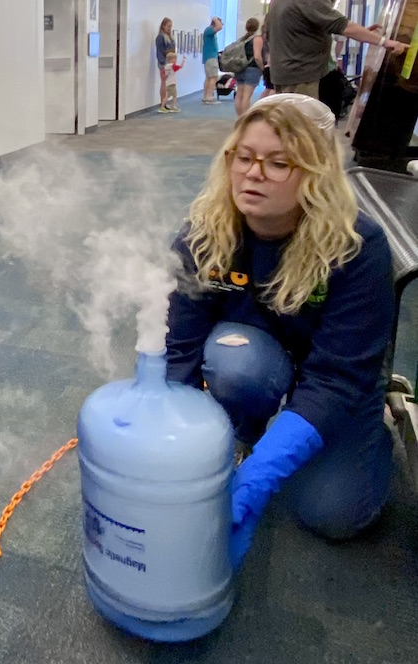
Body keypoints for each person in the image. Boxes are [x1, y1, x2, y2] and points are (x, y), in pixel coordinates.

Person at [166, 93, 396, 570]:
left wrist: (260, 476)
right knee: (232, 362)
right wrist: (174, 439)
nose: (253, 174)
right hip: (257, 357)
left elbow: (337, 378)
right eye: (244, 157)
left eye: (277, 163)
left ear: (314, 173)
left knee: (333, 513)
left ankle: (370, 437)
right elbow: (180, 348)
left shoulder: (357, 246)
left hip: (335, 380)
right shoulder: (204, 234)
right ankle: (242, 433)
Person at [263, 0, 409, 97]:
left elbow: (294, 32)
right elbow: (346, 27)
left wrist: (364, 32)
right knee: (304, 114)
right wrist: (385, 42)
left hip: (283, 76)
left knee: (290, 113)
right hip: (303, 79)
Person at [233, 17, 264, 116]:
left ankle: (240, 117)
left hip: (240, 68)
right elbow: (257, 56)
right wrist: (262, 68)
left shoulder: (242, 39)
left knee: (239, 95)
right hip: (252, 69)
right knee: (247, 96)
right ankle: (245, 118)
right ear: (257, 27)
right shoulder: (257, 39)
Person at [155, 18, 176, 112]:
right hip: (164, 62)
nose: (170, 28)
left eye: (171, 26)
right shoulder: (160, 37)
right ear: (163, 26)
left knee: (169, 83)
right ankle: (162, 103)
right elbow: (160, 51)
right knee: (164, 82)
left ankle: (166, 102)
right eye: (168, 26)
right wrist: (164, 63)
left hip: (170, 63)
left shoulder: (170, 37)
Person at [201, 16, 223, 104]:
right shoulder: (209, 30)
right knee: (213, 77)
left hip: (208, 57)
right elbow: (219, 27)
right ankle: (210, 97)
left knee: (209, 78)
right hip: (211, 57)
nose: (222, 25)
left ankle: (205, 96)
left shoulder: (208, 31)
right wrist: (215, 19)